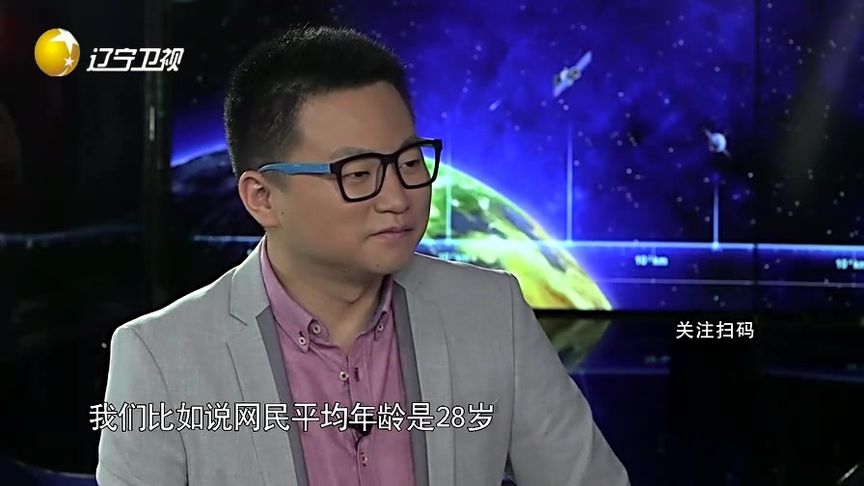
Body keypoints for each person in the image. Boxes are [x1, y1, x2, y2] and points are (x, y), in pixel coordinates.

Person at [96, 25, 630, 486]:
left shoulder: (492, 314)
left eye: (410, 162)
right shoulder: (159, 357)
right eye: (357, 174)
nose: (398, 197)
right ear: (262, 198)